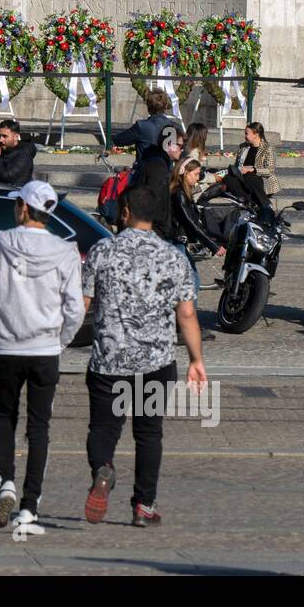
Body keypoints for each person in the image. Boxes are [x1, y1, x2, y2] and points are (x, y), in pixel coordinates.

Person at [0, 180, 85, 535]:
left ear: (24, 209)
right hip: (45, 350)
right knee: (40, 427)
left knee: (5, 417)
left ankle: (7, 485)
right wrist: (59, 342)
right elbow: (74, 310)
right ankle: (30, 507)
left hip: (7, 348)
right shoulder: (64, 253)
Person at [82, 184, 206, 527]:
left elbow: (82, 304)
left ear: (124, 212)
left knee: (103, 430)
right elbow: (187, 315)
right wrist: (197, 360)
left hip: (109, 362)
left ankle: (103, 468)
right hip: (155, 363)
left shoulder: (102, 251)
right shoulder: (174, 258)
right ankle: (143, 506)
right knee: (149, 434)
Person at [170, 154, 225, 279]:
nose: (197, 178)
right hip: (174, 241)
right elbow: (191, 223)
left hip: (178, 242)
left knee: (191, 280)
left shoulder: (183, 192)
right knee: (191, 281)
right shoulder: (179, 195)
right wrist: (212, 244)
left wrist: (212, 240)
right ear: (185, 173)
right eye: (195, 174)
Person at [133, 124, 183, 240]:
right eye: (180, 146)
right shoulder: (158, 167)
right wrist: (163, 229)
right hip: (154, 232)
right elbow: (155, 200)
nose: (182, 150)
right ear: (169, 144)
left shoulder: (156, 161)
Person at [216, 122, 279, 213]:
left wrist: (253, 169)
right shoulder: (243, 147)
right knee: (228, 178)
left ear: (255, 135)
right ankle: (249, 203)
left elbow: (270, 170)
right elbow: (237, 165)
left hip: (261, 180)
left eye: (247, 133)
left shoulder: (268, 148)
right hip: (243, 178)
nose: (245, 136)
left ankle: (266, 205)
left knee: (250, 176)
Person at [114, 89, 185, 154]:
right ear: (166, 106)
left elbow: (118, 140)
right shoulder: (176, 127)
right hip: (166, 167)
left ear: (148, 106)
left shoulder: (141, 126)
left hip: (146, 166)